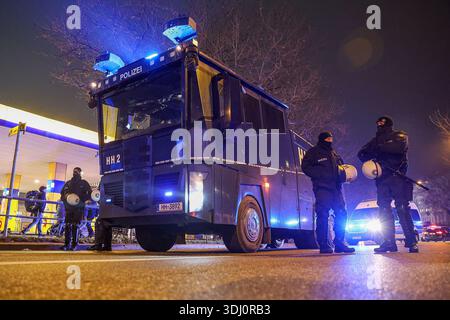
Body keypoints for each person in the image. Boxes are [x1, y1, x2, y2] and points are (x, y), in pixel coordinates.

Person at [358, 116, 418, 253]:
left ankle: (411, 241)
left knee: (402, 208)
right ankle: (389, 242)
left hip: (398, 178)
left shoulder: (399, 135)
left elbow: (398, 148)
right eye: (378, 123)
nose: (380, 125)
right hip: (382, 180)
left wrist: (377, 148)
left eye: (382, 124)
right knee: (384, 210)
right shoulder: (375, 140)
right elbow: (361, 154)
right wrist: (377, 148)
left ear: (389, 124)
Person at [302, 132, 355, 254]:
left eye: (331, 138)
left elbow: (342, 167)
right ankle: (324, 244)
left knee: (342, 213)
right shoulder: (313, 152)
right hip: (322, 188)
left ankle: (340, 242)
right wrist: (320, 175)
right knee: (322, 214)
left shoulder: (334, 153)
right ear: (321, 139)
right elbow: (305, 167)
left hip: (336, 188)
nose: (330, 140)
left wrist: (345, 175)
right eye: (327, 138)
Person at [60, 167, 92, 251]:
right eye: (74, 171)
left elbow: (89, 194)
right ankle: (66, 244)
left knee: (75, 226)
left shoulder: (84, 183)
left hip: (78, 208)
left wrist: (85, 200)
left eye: (77, 171)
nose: (75, 172)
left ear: (80, 172)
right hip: (69, 208)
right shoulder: (68, 183)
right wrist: (66, 197)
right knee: (67, 226)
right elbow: (62, 193)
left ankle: (74, 245)